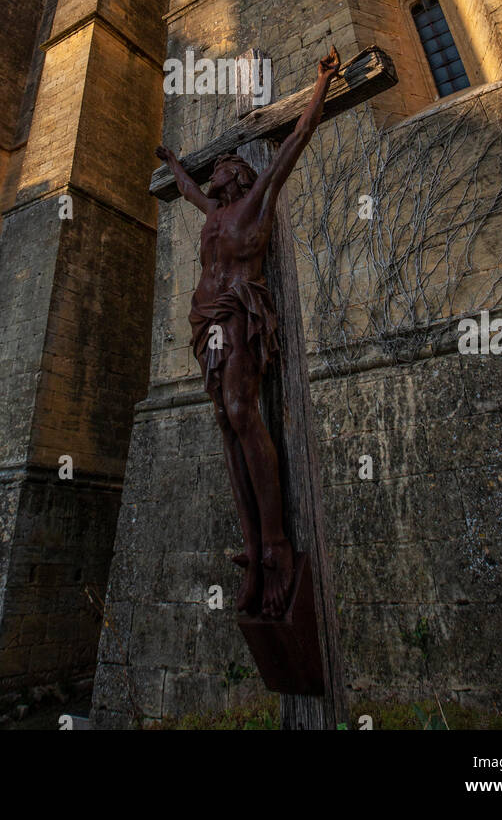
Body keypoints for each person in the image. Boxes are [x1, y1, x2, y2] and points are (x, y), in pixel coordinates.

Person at [156, 46, 341, 618]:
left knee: (243, 413)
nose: (215, 175)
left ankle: (277, 543)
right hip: (206, 319)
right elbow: (183, 187)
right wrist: (175, 162)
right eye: (210, 173)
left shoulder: (256, 203)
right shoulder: (211, 215)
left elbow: (294, 142)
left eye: (221, 169)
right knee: (222, 420)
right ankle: (253, 545)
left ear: (239, 175)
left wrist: (321, 84)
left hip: (238, 311)